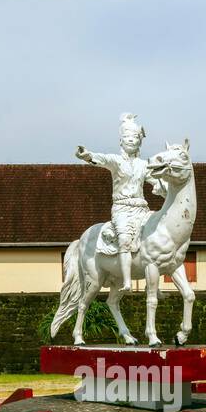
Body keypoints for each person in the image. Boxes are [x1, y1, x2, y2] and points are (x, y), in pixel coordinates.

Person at [75, 113, 162, 289]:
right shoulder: (116, 161)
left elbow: (155, 180)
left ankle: (152, 283)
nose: (131, 140)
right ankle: (127, 280)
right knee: (124, 239)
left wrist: (164, 187)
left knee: (156, 235)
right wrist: (87, 155)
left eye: (135, 138)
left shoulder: (144, 164)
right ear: (121, 141)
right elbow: (101, 159)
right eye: (127, 137)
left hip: (142, 209)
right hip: (122, 209)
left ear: (139, 142)